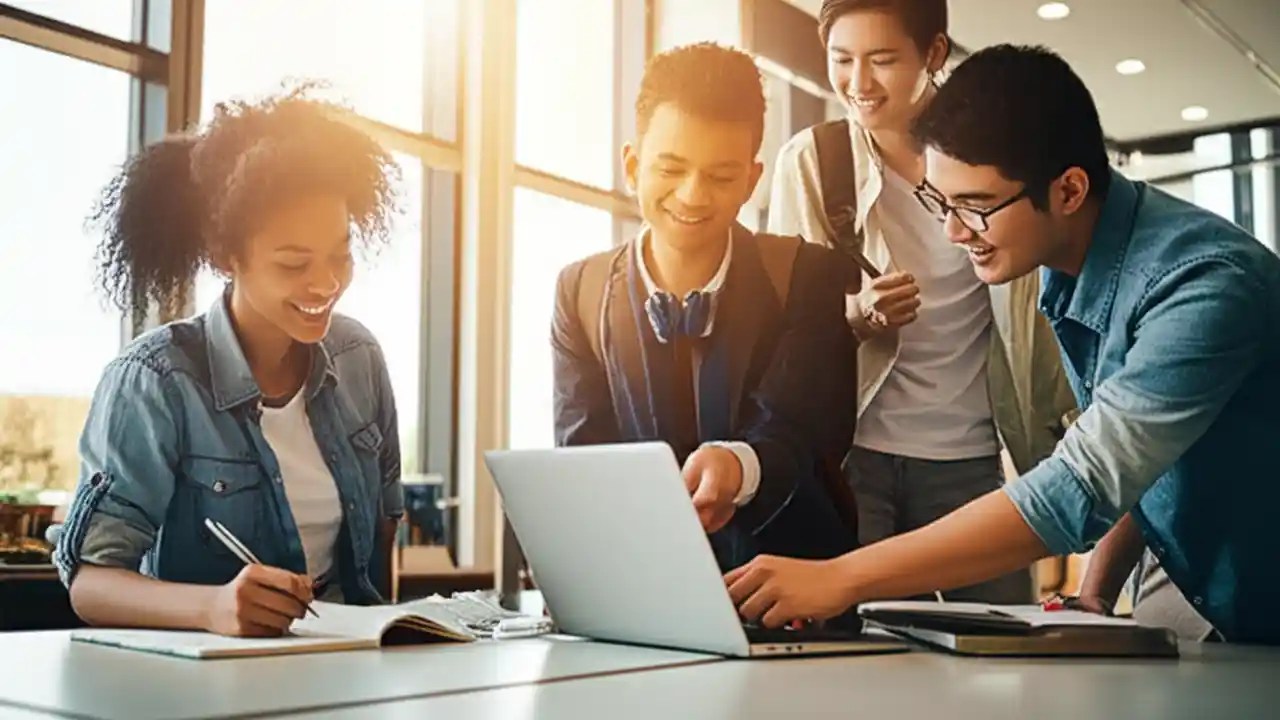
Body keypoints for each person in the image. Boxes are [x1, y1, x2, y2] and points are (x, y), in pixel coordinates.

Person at [727, 44, 1280, 645]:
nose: (954, 231)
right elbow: (1153, 450)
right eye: (942, 201)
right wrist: (1096, 584)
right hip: (1202, 573)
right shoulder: (1066, 259)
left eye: (977, 206)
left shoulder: (1204, 285)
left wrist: (841, 577)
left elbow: (1080, 485)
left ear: (1069, 190)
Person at [54, 87, 405, 638]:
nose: (327, 283)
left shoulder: (359, 358)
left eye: (340, 255)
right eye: (294, 263)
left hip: (351, 669)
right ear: (226, 256)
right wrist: (213, 608)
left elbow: (382, 541)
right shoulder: (154, 381)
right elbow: (91, 583)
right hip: (209, 683)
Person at [768, 0, 1075, 603]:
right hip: (851, 457)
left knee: (998, 665)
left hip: (970, 458)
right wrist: (855, 315)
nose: (859, 83)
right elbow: (783, 324)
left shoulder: (999, 156)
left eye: (882, 59)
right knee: (858, 660)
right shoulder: (813, 162)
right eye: (841, 59)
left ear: (934, 54)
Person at [552, 43, 859, 571]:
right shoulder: (580, 290)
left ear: (751, 180)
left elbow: (803, 427)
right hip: (643, 587)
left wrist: (739, 466)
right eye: (671, 169)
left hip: (788, 587)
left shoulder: (807, 274)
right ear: (632, 165)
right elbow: (583, 450)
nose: (692, 196)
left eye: (720, 177)